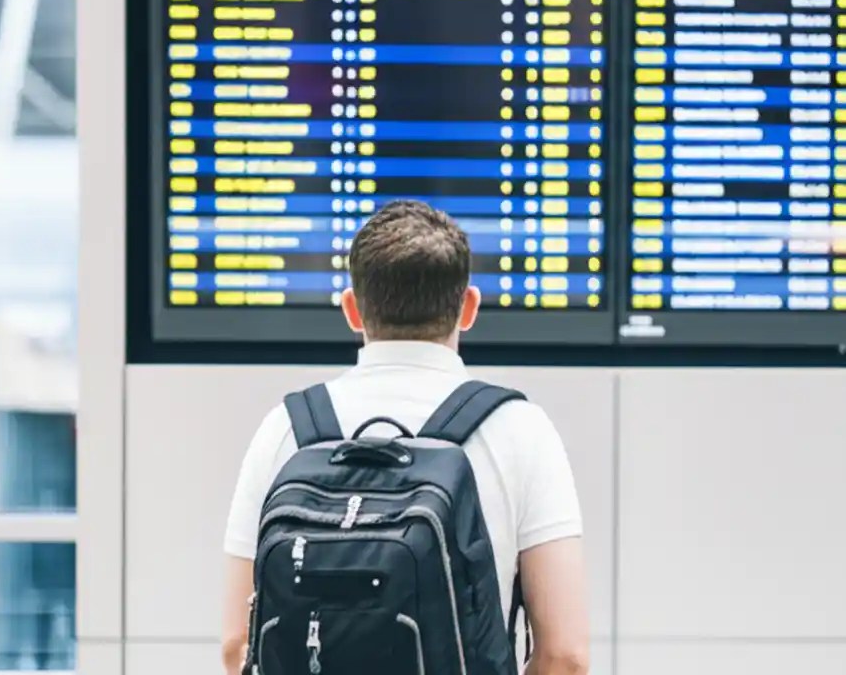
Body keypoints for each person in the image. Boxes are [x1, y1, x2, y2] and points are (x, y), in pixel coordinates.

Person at [221, 200, 589, 674]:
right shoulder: (519, 429)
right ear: (469, 307)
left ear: (352, 309)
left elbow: (236, 645)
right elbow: (565, 656)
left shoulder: (287, 429)